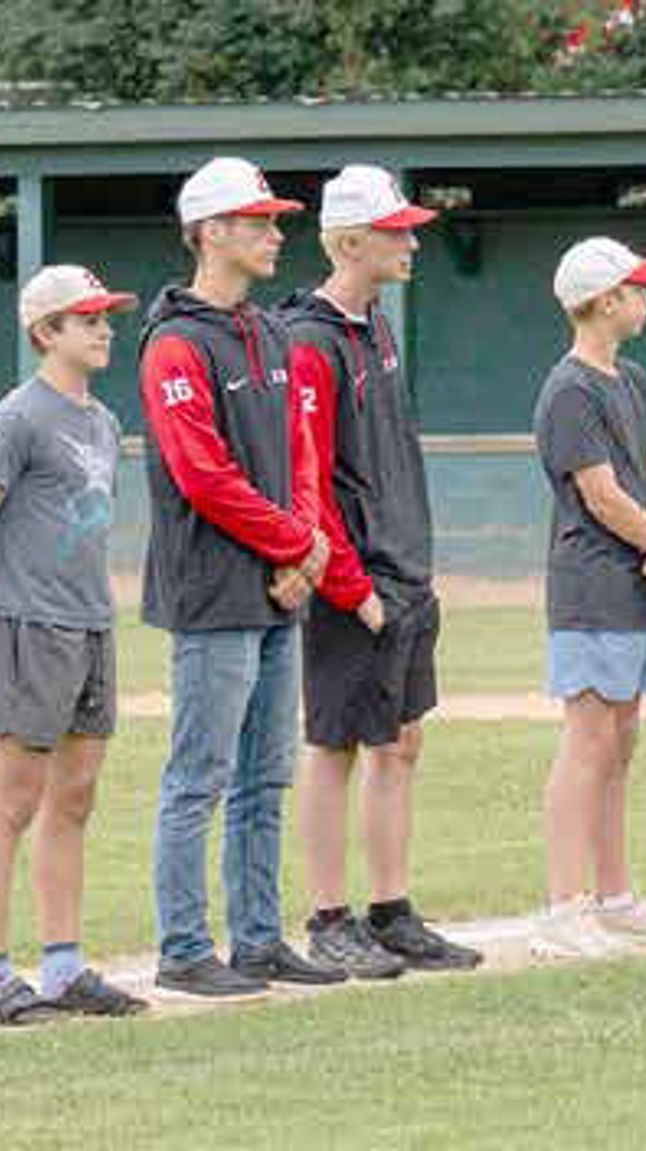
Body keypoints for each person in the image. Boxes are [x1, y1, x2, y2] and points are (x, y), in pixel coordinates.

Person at [140, 157, 341, 998]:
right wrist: (294, 543)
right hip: (216, 591)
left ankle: (258, 939)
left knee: (267, 777)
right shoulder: (173, 343)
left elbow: (299, 451)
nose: (274, 232)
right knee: (200, 777)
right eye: (257, 220)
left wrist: (301, 544)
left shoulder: (269, 333)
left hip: (276, 585)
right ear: (211, 231)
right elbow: (203, 475)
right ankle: (185, 947)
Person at [281, 165, 482, 979]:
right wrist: (349, 585)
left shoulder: (378, 330)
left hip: (405, 569)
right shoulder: (309, 341)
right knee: (334, 744)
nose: (410, 242)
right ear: (350, 240)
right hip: (353, 580)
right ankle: (330, 916)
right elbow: (307, 477)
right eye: (395, 230)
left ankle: (391, 910)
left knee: (400, 741)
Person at [530, 237, 646, 959]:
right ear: (604, 301)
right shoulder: (570, 388)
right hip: (590, 586)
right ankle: (563, 904)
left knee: (622, 739)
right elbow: (601, 495)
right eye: (637, 289)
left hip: (634, 580)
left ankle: (613, 895)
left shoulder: (630, 379)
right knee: (588, 738)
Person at [0, 266, 146, 1025]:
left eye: (105, 314)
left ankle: (61, 966)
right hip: (29, 623)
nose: (103, 327)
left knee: (76, 794)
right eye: (85, 317)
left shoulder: (104, 420)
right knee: (11, 800)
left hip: (90, 623)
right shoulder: (18, 418)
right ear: (43, 332)